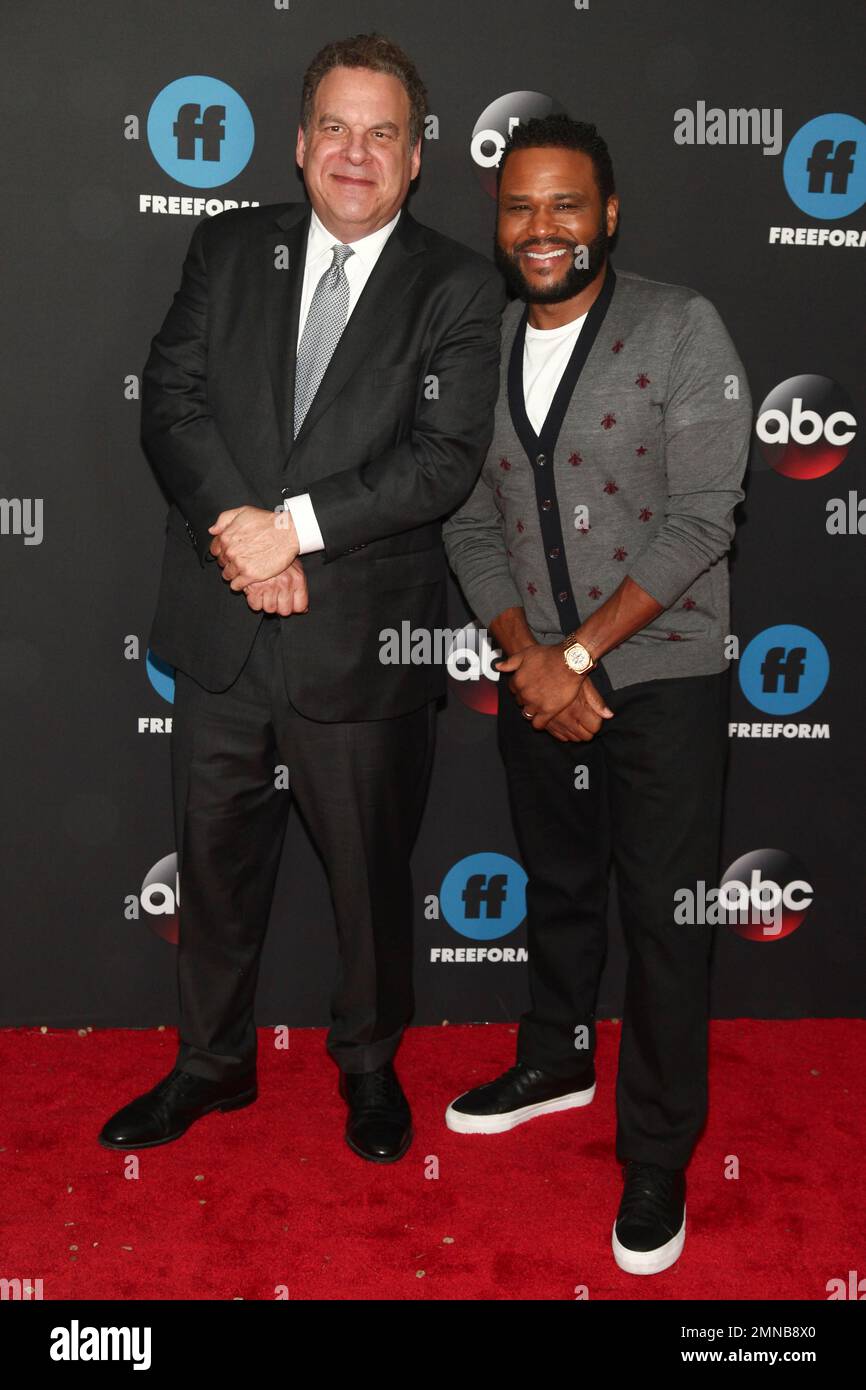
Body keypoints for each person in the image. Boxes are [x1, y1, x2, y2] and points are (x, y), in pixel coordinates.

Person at [99, 33, 504, 1163]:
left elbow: (442, 457)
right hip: (226, 627)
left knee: (370, 882)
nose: (355, 153)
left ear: (417, 158)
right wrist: (247, 531)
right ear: (297, 142)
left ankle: (369, 1068)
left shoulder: (460, 288)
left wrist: (298, 528)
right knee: (214, 866)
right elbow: (170, 404)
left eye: (383, 133)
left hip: (363, 643)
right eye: (335, 126)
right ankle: (211, 1065)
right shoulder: (226, 249)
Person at [442, 114, 751, 1273]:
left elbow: (700, 516)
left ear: (607, 214)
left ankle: (658, 1151)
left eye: (564, 204)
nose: (540, 228)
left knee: (665, 922)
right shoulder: (482, 347)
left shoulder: (678, 328)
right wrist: (529, 652)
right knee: (559, 881)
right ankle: (558, 1054)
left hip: (661, 673)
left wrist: (578, 659)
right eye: (519, 205)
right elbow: (470, 521)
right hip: (538, 676)